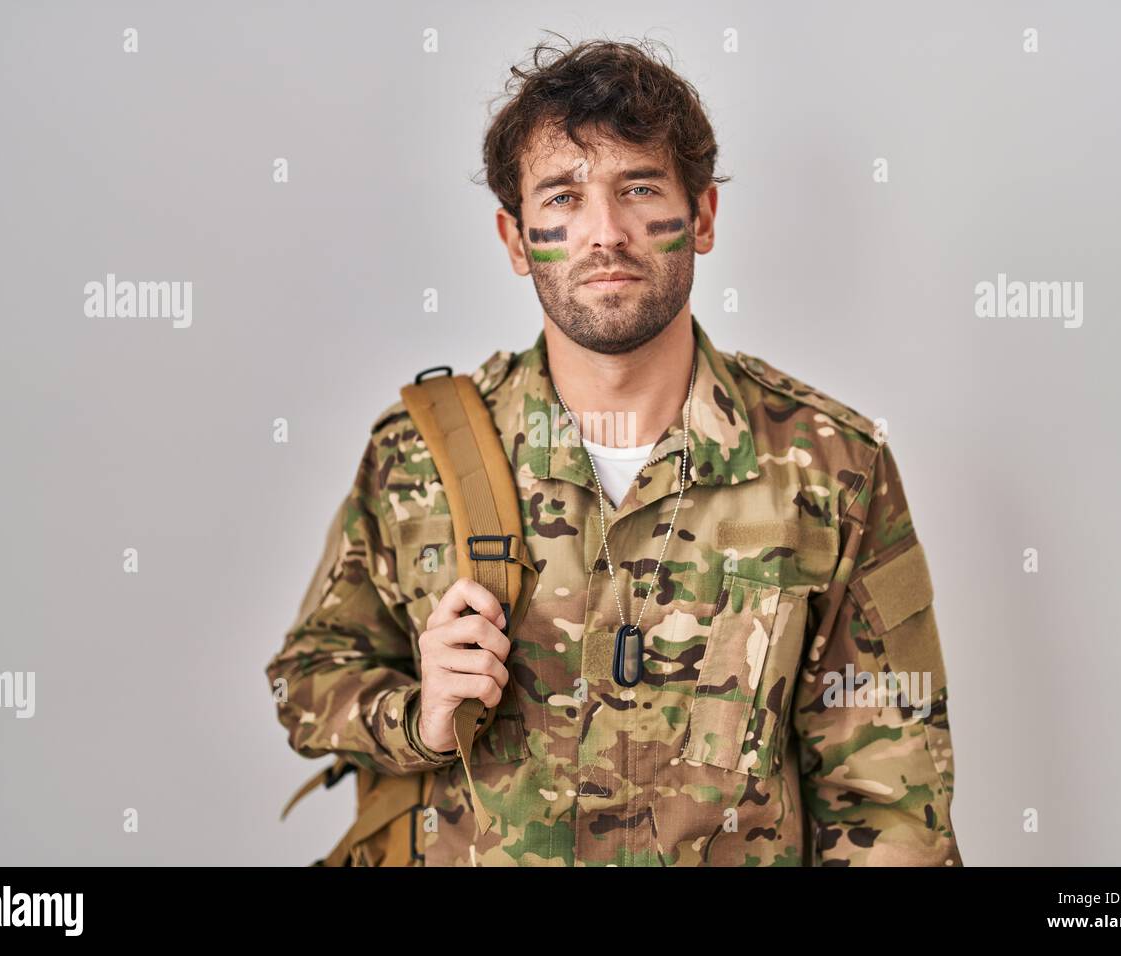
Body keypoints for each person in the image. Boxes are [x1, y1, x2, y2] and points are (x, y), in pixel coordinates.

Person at [266, 35, 961, 866]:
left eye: (638, 188)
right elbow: (307, 678)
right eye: (561, 196)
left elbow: (891, 797)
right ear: (517, 240)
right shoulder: (419, 455)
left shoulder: (832, 465)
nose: (604, 233)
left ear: (700, 218)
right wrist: (417, 717)